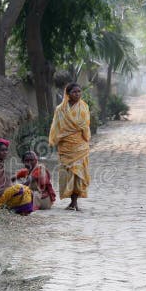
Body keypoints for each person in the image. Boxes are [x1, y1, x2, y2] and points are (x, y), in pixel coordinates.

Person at [48, 83, 91, 211]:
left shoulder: (84, 107)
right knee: (67, 175)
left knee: (78, 174)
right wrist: (55, 139)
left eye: (79, 91)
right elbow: (56, 125)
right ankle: (72, 202)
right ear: (68, 94)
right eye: (74, 92)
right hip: (65, 146)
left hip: (80, 146)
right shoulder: (60, 109)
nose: (77, 94)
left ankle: (75, 201)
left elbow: (86, 125)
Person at [0, 138, 34, 215]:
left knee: (28, 191)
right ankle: (10, 208)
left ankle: (21, 211)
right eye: (2, 150)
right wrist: (9, 189)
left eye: (6, 150)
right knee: (19, 188)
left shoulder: (0, 165)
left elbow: (6, 184)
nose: (5, 152)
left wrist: (9, 189)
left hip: (2, 196)